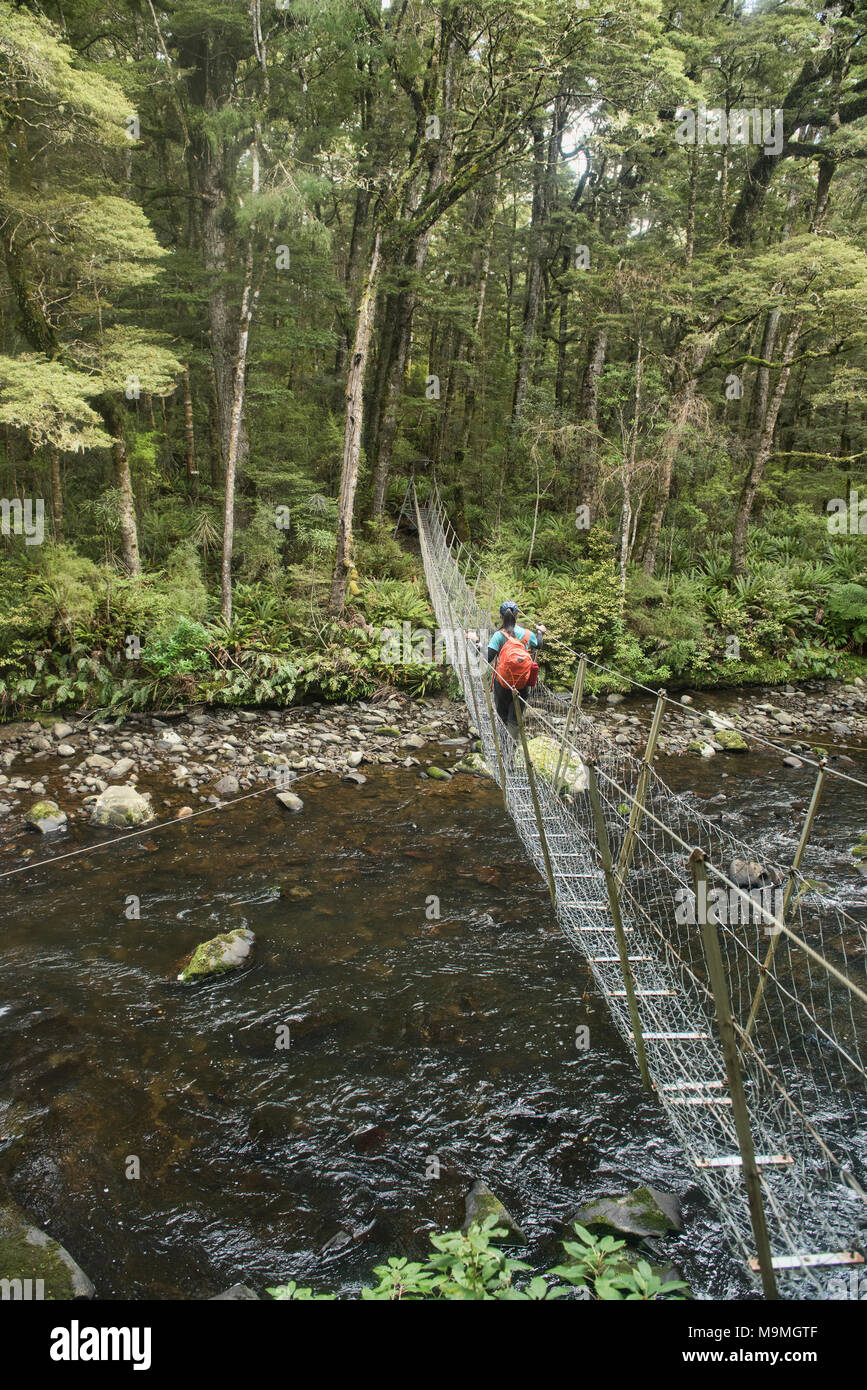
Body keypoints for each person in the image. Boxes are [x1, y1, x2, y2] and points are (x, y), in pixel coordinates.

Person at [486, 600, 546, 732]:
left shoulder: (498, 635)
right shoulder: (527, 634)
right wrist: (540, 632)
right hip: (522, 682)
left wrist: (477, 644)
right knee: (515, 718)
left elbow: (488, 658)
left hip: (501, 681)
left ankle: (502, 745)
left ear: (501, 617)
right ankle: (513, 747)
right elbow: (539, 644)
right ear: (517, 616)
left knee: (502, 717)